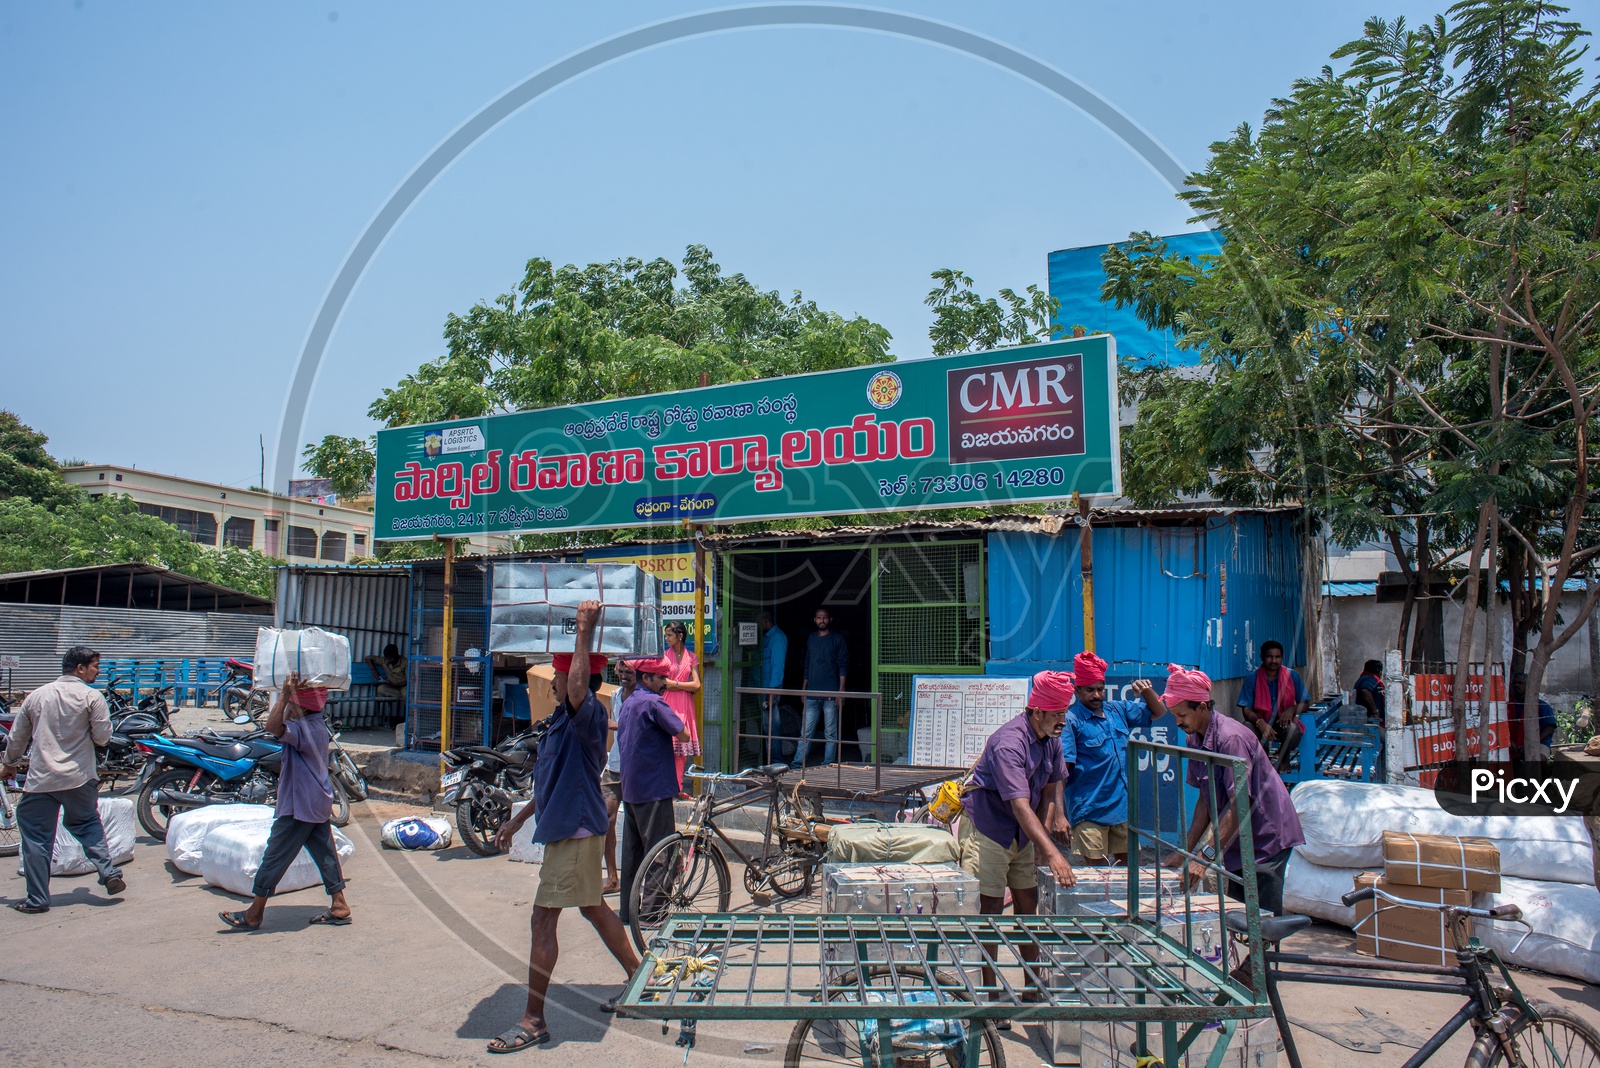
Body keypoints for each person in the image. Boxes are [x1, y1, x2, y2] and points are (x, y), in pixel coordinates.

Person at [488, 602, 640, 1053]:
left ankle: (534, 1020)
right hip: (568, 825)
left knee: (542, 919)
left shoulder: (587, 711)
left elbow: (578, 685)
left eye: (556, 675)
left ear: (571, 679)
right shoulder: (560, 721)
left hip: (575, 831)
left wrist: (585, 630)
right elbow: (553, 780)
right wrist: (517, 818)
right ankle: (639, 977)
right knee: (594, 908)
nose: (552, 681)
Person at [959, 669, 1076, 1023]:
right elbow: (1019, 804)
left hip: (1024, 832)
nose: (1062, 720)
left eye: (1064, 714)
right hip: (989, 827)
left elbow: (1051, 786)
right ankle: (991, 995)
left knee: (1029, 907)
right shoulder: (1009, 742)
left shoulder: (1051, 737)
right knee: (990, 911)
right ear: (1036, 710)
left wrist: (1048, 828)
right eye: (1057, 714)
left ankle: (1032, 986)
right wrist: (1053, 853)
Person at [1163, 664, 1304, 917]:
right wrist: (1184, 851)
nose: (1178, 722)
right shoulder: (1194, 737)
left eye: (1182, 715)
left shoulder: (1230, 739)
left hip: (1267, 833)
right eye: (1174, 715)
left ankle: (1265, 955)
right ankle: (1247, 955)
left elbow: (1239, 805)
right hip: (1238, 837)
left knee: (1262, 916)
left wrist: (1203, 857)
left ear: (1203, 708)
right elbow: (1205, 802)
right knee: (1238, 913)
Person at [220, 674, 351, 930]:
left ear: (299, 706)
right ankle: (339, 904)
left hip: (300, 804)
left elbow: (271, 728)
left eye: (291, 704)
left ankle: (254, 913)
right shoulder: (315, 723)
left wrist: (284, 693)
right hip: (316, 800)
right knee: (325, 853)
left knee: (275, 855)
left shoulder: (306, 727)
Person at [1, 645, 124, 914]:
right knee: (88, 824)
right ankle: (108, 872)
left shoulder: (36, 697)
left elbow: (17, 737)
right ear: (80, 668)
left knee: (36, 839)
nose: (98, 670)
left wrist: (9, 765)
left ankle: (37, 900)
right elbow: (103, 738)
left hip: (41, 781)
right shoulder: (92, 698)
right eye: (94, 665)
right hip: (80, 778)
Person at [1061, 651, 1166, 864]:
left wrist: (1146, 692)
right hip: (1088, 811)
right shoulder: (1071, 720)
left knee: (1128, 871)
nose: (1096, 695)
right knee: (1098, 876)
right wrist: (1057, 815)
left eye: (1100, 689)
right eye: (1089, 690)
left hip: (1121, 809)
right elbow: (1063, 769)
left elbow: (1159, 711)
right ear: (1077, 690)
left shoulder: (1117, 710)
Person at [614, 654, 693, 925]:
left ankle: (628, 912)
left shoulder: (629, 701)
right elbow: (683, 733)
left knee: (634, 854)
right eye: (661, 678)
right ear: (646, 678)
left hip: (632, 788)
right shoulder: (653, 702)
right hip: (654, 788)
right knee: (661, 853)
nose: (666, 682)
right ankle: (652, 914)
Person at [1237, 640, 1310, 773]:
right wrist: (1260, 723)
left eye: (1277, 657)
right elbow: (1246, 709)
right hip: (1261, 720)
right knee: (1246, 728)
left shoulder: (1292, 676)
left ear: (1282, 658)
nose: (1274, 661)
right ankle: (1263, 759)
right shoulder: (1251, 679)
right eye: (1270, 657)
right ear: (1262, 657)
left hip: (1282, 721)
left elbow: (1305, 703)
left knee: (1293, 731)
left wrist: (1291, 709)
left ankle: (1283, 759)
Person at [793, 608, 848, 768]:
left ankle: (828, 765)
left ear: (830, 619)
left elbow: (843, 665)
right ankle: (797, 765)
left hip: (831, 693)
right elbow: (807, 664)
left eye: (824, 618)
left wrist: (841, 691)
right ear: (814, 620)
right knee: (806, 731)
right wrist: (804, 688)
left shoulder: (837, 639)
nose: (821, 620)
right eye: (819, 618)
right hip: (811, 693)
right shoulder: (811, 638)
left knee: (830, 732)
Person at [660, 620, 701, 795]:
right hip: (667, 704)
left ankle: (678, 788)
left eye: (669, 635)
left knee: (681, 752)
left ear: (680, 636)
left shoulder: (691, 657)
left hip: (684, 706)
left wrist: (675, 684)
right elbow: (662, 684)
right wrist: (684, 684)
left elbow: (697, 685)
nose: (666, 638)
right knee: (665, 748)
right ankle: (666, 787)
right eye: (666, 635)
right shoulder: (663, 656)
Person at [759, 611, 789, 763]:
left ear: (765, 620)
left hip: (769, 691)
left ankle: (776, 762)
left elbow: (778, 668)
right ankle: (766, 760)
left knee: (771, 727)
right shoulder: (764, 638)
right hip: (758, 690)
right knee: (765, 727)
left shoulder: (777, 638)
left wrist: (771, 692)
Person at [1507, 673, 1558, 759]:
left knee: (1538, 759)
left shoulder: (1542, 706)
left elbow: (1550, 728)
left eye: (1520, 683)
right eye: (1514, 683)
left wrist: (1532, 744)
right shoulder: (1507, 705)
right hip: (1512, 743)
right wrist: (1508, 741)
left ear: (1528, 685)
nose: (1516, 685)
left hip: (1538, 742)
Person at [1352, 659, 1386, 725]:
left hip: (1364, 717)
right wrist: (1375, 711)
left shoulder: (1364, 678)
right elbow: (1365, 691)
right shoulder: (1371, 679)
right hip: (1369, 718)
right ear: (1379, 672)